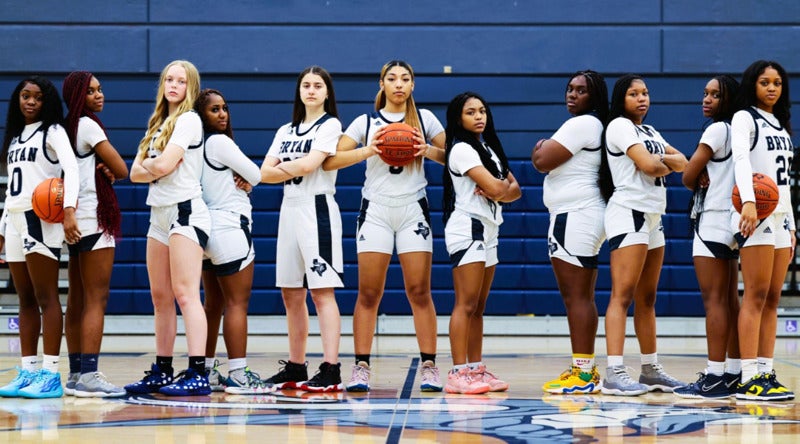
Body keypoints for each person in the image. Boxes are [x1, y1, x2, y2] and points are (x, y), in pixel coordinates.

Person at [322, 60, 446, 393]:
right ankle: (361, 366)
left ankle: (430, 366)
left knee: (419, 291)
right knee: (368, 293)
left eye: (405, 78)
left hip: (412, 210)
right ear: (381, 83)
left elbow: (456, 155)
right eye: (392, 78)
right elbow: (332, 159)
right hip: (375, 210)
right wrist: (369, 149)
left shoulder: (425, 119)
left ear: (413, 84)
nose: (399, 84)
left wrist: (428, 150)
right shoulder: (366, 121)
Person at [125, 60, 212, 396]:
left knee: (186, 294)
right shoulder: (159, 122)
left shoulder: (190, 120)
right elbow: (135, 173)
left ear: (190, 87)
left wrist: (153, 166)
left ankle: (198, 372)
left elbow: (157, 165)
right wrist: (155, 167)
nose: (173, 85)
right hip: (157, 214)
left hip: (185, 211)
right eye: (168, 80)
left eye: (181, 81)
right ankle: (162, 369)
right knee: (160, 298)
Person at [259, 66, 345, 392]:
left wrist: (279, 168)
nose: (311, 90)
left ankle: (331, 368)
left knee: (322, 292)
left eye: (317, 85)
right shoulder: (285, 130)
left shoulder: (331, 125)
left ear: (327, 93)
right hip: (289, 209)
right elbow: (263, 172)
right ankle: (296, 366)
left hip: (317, 208)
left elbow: (309, 166)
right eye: (306, 85)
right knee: (291, 293)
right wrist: (277, 170)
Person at [601, 74, 688, 396]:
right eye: (634, 94)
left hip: (654, 215)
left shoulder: (649, 131)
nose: (642, 98)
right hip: (628, 211)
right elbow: (651, 166)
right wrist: (665, 163)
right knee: (622, 295)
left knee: (647, 298)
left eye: (645, 93)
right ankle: (614, 371)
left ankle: (650, 369)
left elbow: (683, 161)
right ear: (621, 100)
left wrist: (659, 161)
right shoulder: (619, 126)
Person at [0, 76, 80, 399]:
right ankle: (28, 370)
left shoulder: (54, 131)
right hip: (16, 218)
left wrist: (69, 210)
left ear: (46, 101)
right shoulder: (16, 137)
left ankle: (50, 373)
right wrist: (3, 225)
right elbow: (11, 187)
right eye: (25, 96)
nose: (30, 102)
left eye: (37, 97)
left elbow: (71, 170)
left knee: (46, 296)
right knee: (24, 298)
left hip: (41, 219)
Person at [532, 70, 609, 395]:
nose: (572, 94)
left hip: (575, 217)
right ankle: (585, 368)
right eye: (570, 89)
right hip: (587, 214)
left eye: (581, 91)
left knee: (575, 296)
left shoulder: (584, 124)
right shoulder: (599, 124)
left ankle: (583, 372)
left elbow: (542, 160)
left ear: (595, 97)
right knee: (582, 296)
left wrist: (540, 147)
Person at [442, 92, 521, 394]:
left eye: (482, 111)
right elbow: (498, 187)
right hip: (467, 226)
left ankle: (475, 369)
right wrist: (501, 188)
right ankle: (458, 372)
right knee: (466, 303)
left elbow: (515, 191)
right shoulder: (461, 148)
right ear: (458, 119)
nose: (479, 116)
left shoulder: (488, 147)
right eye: (470, 112)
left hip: (489, 228)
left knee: (479, 306)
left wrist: (500, 189)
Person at [61, 71, 129, 397]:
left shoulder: (62, 128)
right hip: (93, 217)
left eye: (100, 89)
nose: (99, 96)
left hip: (71, 222)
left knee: (76, 299)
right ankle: (90, 374)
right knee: (96, 300)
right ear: (77, 96)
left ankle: (75, 374)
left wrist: (98, 169)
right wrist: (107, 170)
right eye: (91, 91)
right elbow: (122, 169)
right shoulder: (88, 125)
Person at [730, 60, 795, 401]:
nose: (771, 88)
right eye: (764, 82)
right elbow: (741, 160)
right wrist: (749, 204)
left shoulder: (781, 124)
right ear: (752, 85)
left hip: (781, 217)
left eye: (777, 83)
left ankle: (766, 372)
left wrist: (793, 225)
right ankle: (748, 377)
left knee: (772, 299)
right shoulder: (744, 118)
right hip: (755, 215)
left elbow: (784, 182)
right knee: (754, 296)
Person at [675, 75, 742, 399]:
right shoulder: (741, 130)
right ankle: (733, 372)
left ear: (728, 99)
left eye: (715, 95)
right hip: (735, 219)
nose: (707, 99)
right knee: (731, 301)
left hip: (713, 218)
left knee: (714, 302)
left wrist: (696, 171)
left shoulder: (716, 130)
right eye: (705, 93)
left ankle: (714, 376)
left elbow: (688, 176)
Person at [193, 88, 262, 393]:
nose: (222, 114)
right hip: (230, 227)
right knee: (237, 304)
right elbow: (256, 174)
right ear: (201, 115)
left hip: (204, 230)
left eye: (224, 108)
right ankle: (238, 372)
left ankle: (206, 370)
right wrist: (246, 180)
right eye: (214, 110)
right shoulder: (220, 142)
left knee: (213, 305)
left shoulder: (194, 146)